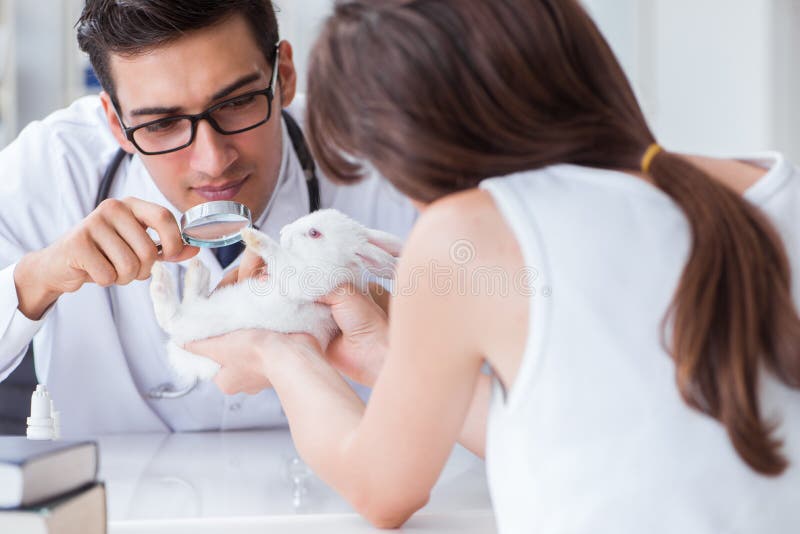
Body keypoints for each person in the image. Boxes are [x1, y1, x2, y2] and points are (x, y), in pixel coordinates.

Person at [187, 0, 800, 531]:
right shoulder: (769, 188)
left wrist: (277, 352)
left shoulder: (469, 233)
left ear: (436, 146)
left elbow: (380, 489)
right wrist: (381, 356)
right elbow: (580, 438)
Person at [0, 0, 416, 436]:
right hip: (117, 502)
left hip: (347, 498)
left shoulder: (384, 165)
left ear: (285, 77)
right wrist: (36, 279)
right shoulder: (54, 165)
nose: (213, 161)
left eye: (237, 102)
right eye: (161, 124)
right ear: (117, 124)